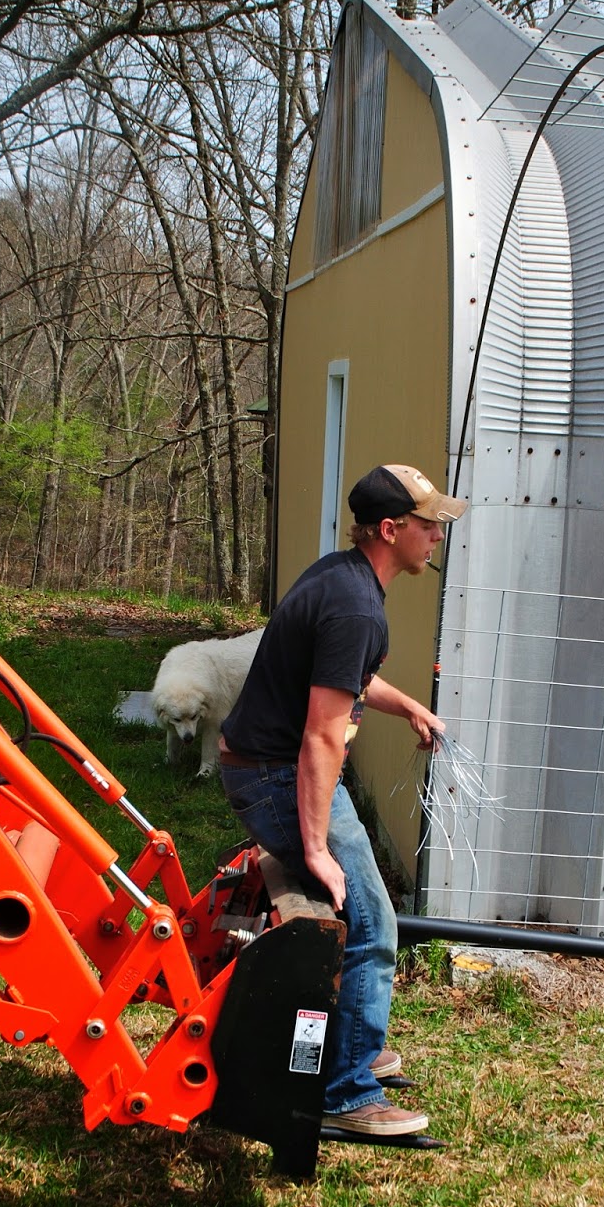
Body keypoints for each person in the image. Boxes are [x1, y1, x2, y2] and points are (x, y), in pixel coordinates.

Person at [219, 464, 467, 1139]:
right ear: (391, 530)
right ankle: (345, 1091)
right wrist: (318, 848)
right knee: (370, 922)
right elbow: (322, 736)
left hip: (264, 768)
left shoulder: (342, 576)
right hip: (275, 775)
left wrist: (407, 705)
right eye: (428, 524)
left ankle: (355, 1040)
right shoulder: (355, 605)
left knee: (357, 911)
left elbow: (347, 679)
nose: (437, 536)